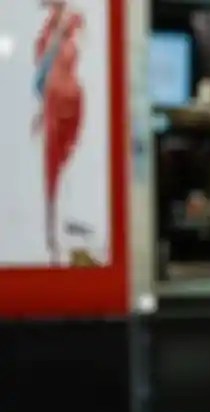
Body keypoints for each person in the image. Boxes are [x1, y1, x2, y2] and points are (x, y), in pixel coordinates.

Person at [33, 1, 86, 265]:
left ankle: (67, 233)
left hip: (72, 101)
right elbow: (42, 72)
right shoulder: (47, 33)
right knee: (52, 169)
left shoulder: (77, 21)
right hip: (55, 102)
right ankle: (53, 238)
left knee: (67, 164)